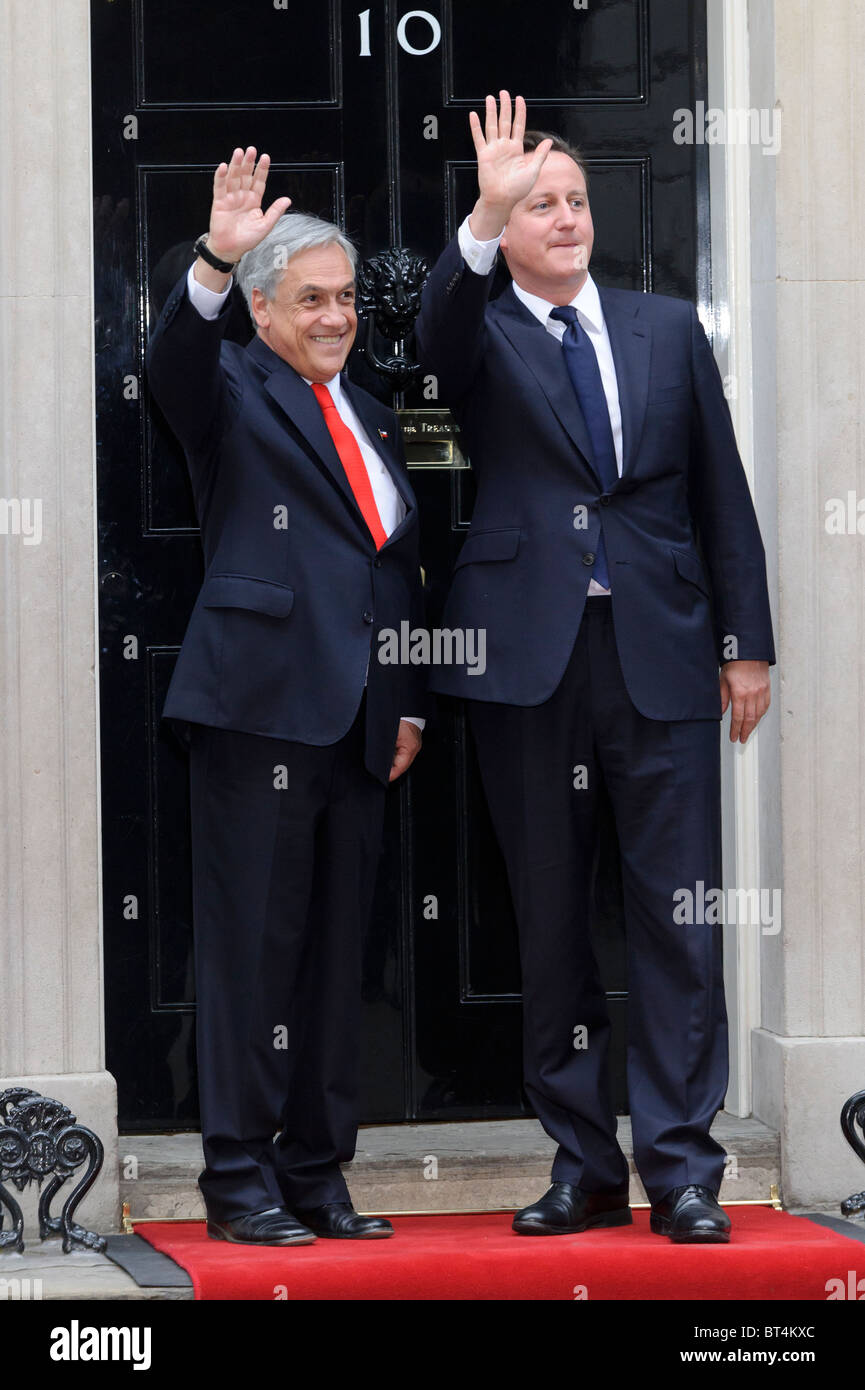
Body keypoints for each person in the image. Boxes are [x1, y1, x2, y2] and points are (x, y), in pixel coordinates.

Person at [414, 93, 775, 1243]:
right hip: (529, 664)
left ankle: (680, 1167)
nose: (563, 218)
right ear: (506, 223)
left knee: (678, 916)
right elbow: (433, 328)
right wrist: (484, 203)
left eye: (573, 200)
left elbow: (721, 492)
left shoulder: (667, 330)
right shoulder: (477, 335)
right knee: (553, 919)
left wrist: (746, 641)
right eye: (539, 203)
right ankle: (582, 1161)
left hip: (662, 655)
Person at [147, 147, 426, 1246]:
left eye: (347, 298)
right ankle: (240, 1176)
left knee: (330, 961)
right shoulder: (225, 386)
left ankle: (317, 1169)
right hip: (255, 707)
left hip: (359, 720)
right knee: (250, 951)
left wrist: (405, 700)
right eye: (311, 298)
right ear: (262, 309)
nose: (336, 316)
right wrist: (214, 254)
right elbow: (173, 356)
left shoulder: (372, 411)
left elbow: (393, 566)